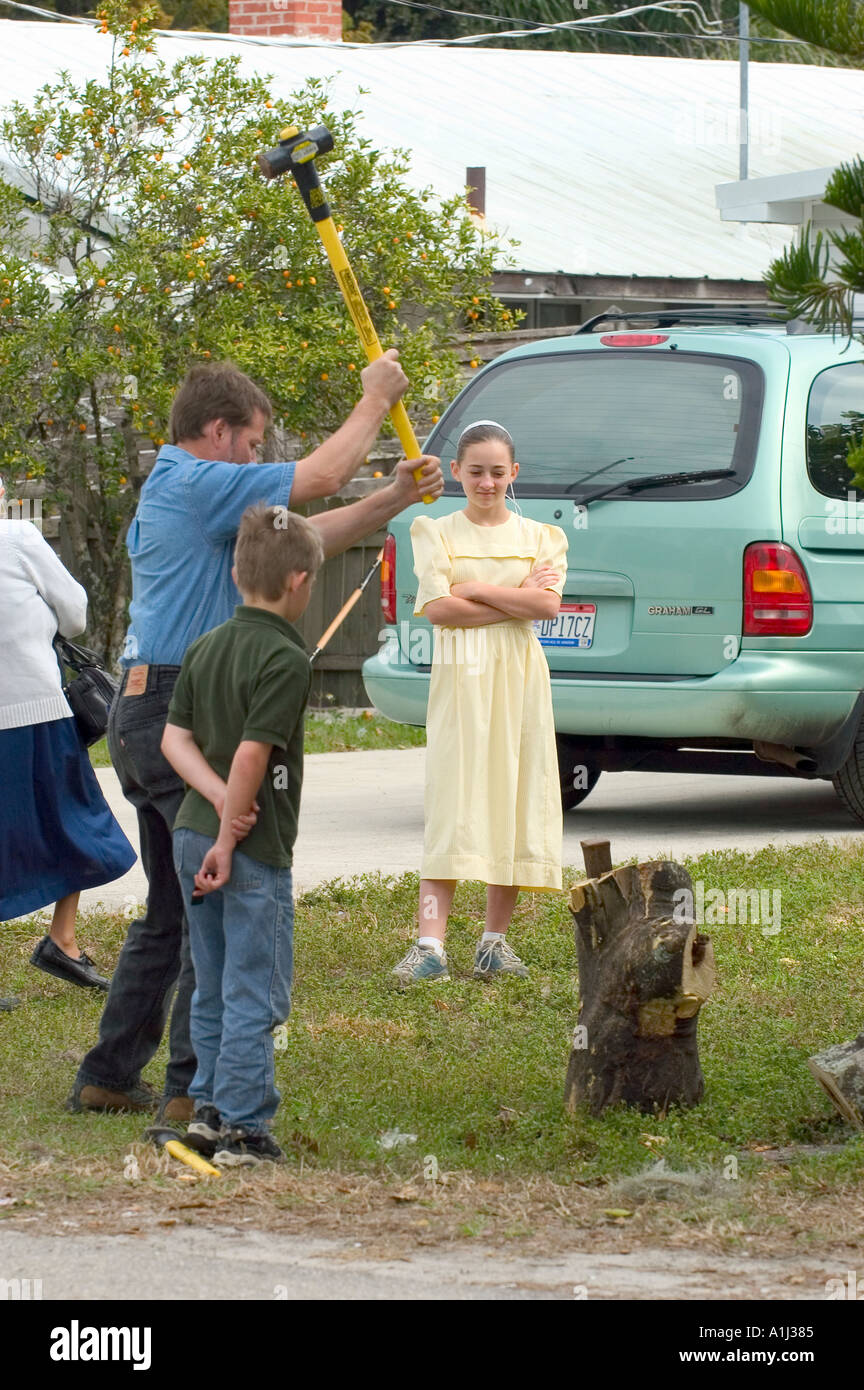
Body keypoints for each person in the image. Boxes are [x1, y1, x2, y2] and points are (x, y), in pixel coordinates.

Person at [69, 355, 442, 1119]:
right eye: (253, 444)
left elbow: (302, 540)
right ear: (218, 431)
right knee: (217, 892)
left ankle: (111, 1075)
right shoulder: (194, 481)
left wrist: (392, 499)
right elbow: (317, 477)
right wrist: (374, 399)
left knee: (174, 907)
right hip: (180, 700)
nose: (258, 461)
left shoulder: (193, 494)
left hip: (152, 705)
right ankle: (190, 1092)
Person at [161, 504, 320, 1164]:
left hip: (190, 836)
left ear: (235, 574)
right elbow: (254, 755)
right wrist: (231, 835)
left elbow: (175, 739)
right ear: (298, 582)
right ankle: (246, 1130)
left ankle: (206, 1111)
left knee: (214, 983)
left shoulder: (205, 646)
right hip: (246, 852)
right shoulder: (285, 659)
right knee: (256, 988)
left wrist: (218, 801)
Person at [389, 420, 568, 989]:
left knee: (511, 798)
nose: (486, 482)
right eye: (475, 472)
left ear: (513, 474)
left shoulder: (544, 537)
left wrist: (475, 590)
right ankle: (430, 944)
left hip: (519, 681)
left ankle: (494, 943)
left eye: (497, 472)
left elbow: (548, 608)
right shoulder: (433, 530)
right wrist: (517, 600)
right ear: (459, 475)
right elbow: (438, 610)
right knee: (454, 801)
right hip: (462, 681)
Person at [0, 516, 137, 996]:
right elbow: (75, 614)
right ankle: (63, 939)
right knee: (74, 820)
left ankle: (63, 943)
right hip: (34, 712)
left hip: (31, 712)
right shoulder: (16, 537)